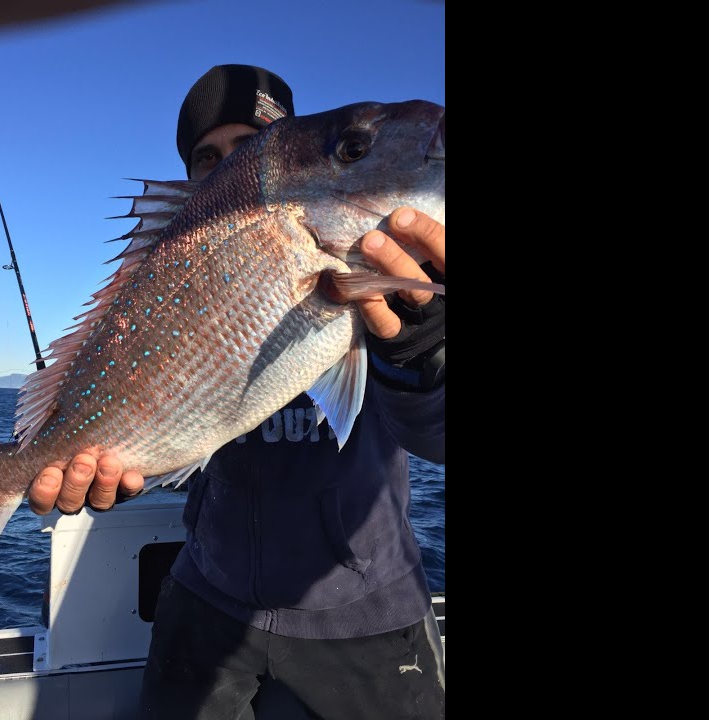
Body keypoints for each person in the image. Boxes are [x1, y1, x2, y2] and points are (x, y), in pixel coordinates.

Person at [28, 64, 445, 719]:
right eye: (206, 158)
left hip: (365, 615)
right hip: (204, 597)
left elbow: (436, 434)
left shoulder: (401, 278)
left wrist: (428, 356)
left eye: (252, 144)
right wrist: (99, 465)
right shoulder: (171, 270)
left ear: (285, 160)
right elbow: (157, 424)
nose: (229, 163)